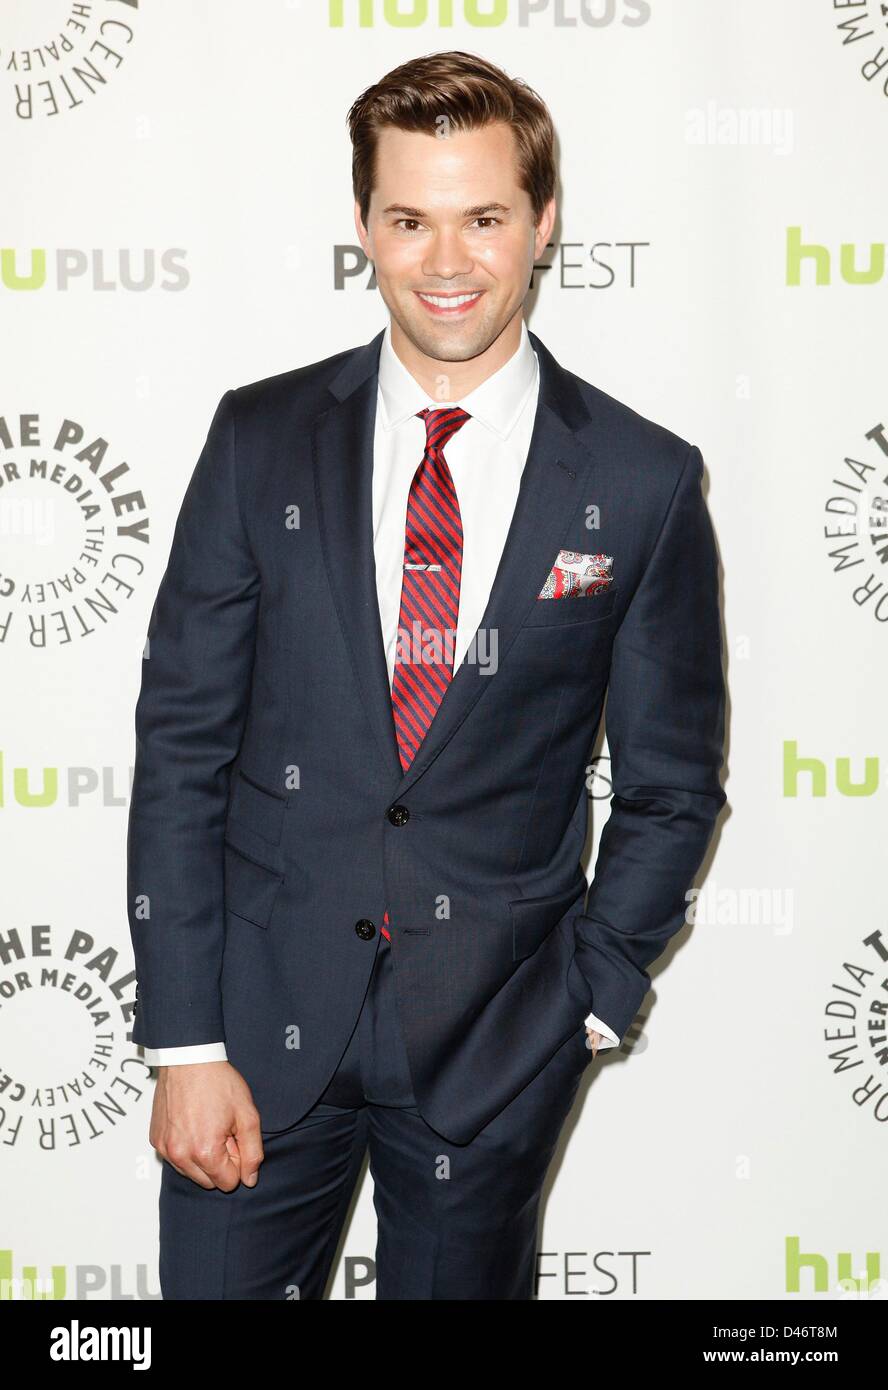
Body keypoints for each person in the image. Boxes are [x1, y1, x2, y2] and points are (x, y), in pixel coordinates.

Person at [127, 49, 726, 1300]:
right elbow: (182, 752)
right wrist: (183, 1038)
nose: (446, 262)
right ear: (363, 226)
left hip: (497, 1049)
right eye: (410, 220)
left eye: (483, 218)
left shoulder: (644, 479)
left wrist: (587, 1005)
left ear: (542, 221)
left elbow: (672, 785)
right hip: (251, 1037)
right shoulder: (258, 439)